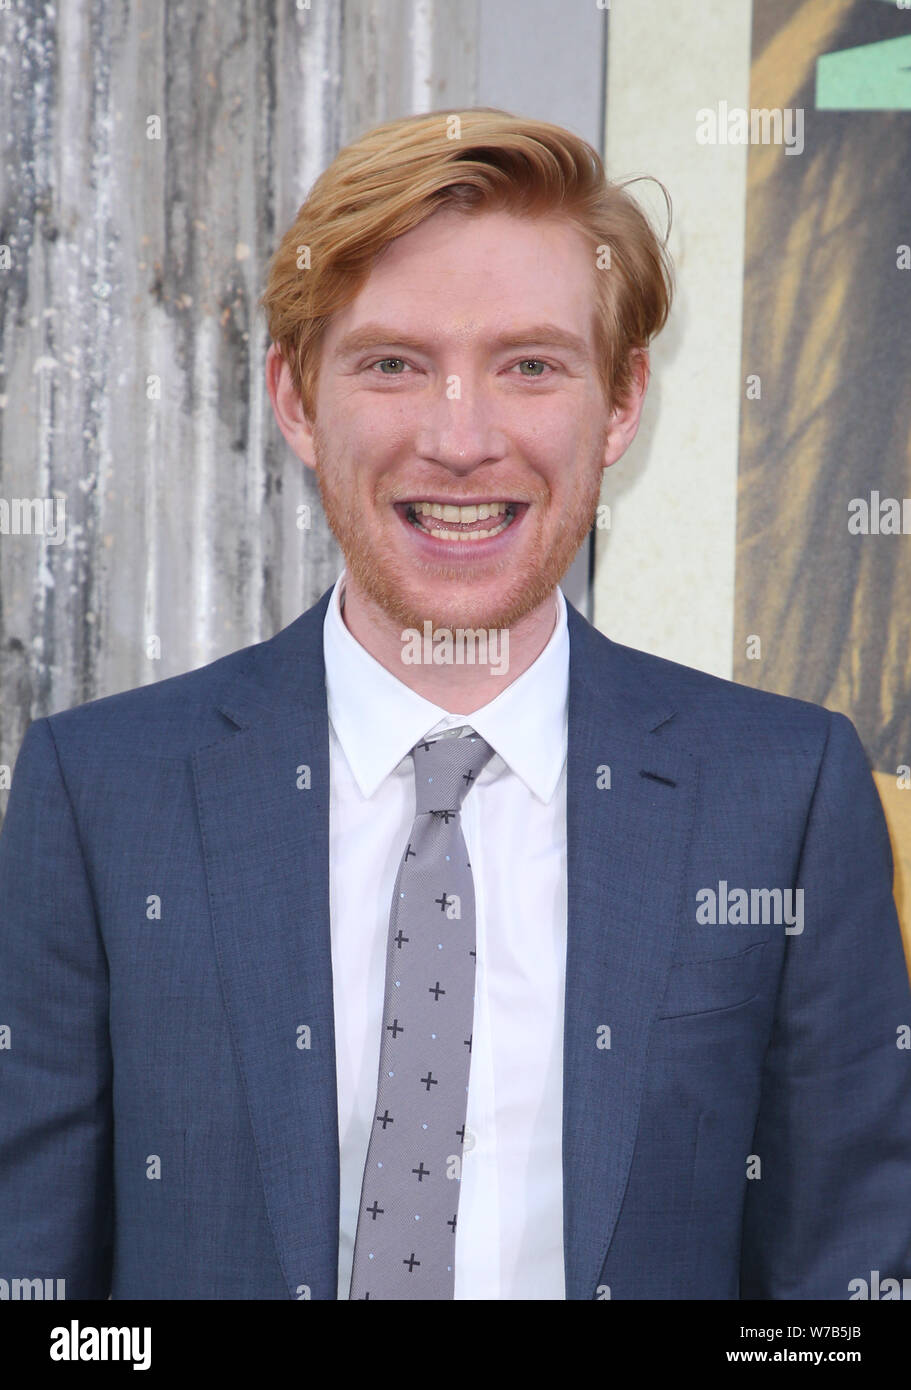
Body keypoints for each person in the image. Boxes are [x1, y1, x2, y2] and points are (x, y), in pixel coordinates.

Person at [1, 108, 909, 1301]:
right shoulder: (97, 791)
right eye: (391, 363)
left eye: (529, 365)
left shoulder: (783, 792)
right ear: (294, 399)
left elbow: (838, 1299)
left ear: (622, 402)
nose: (461, 438)